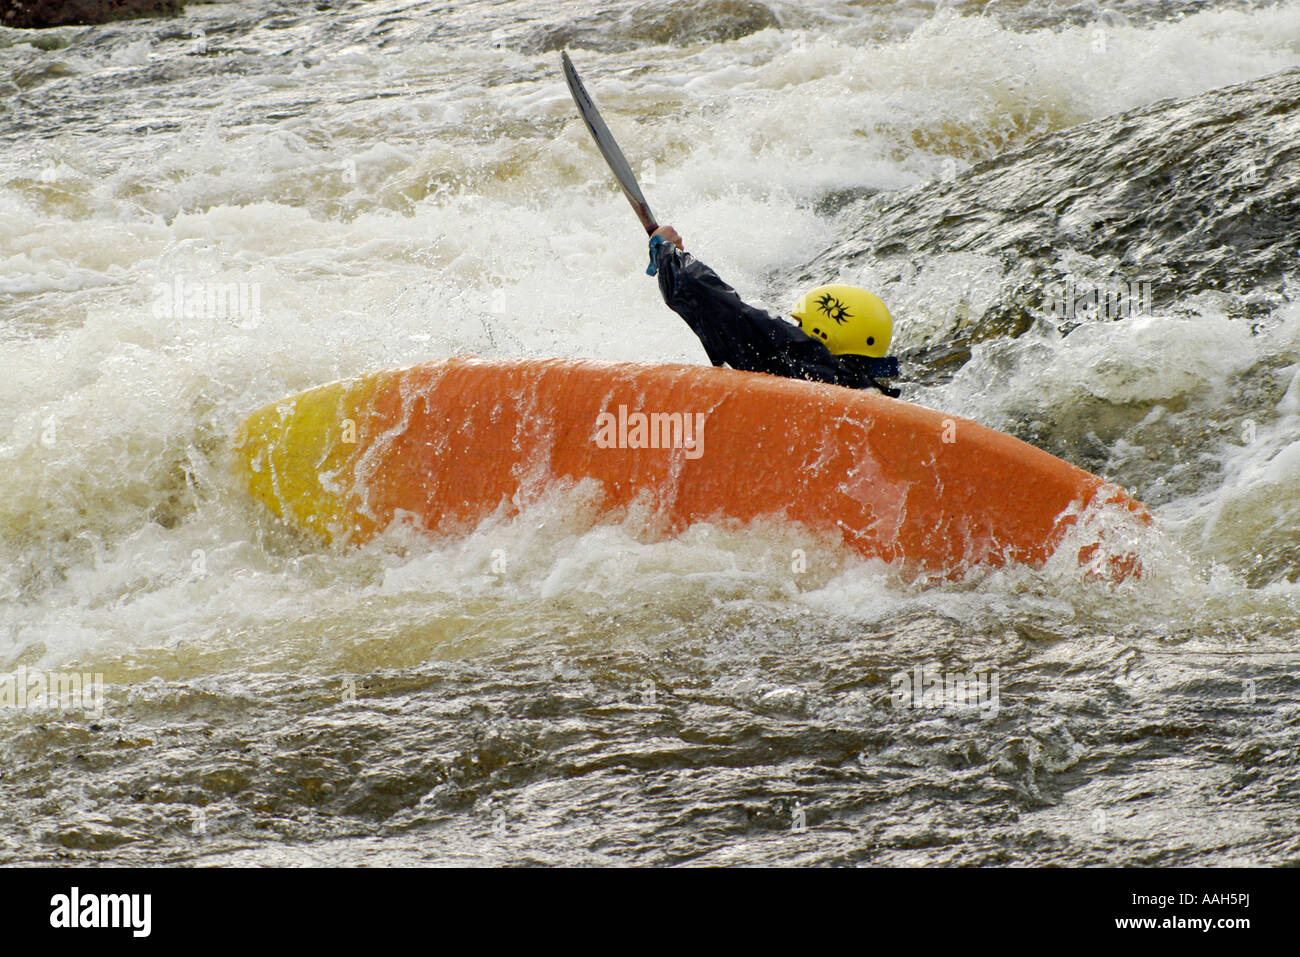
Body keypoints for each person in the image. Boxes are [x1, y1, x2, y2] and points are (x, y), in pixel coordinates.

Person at [646, 225, 901, 397]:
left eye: (801, 325)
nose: (795, 329)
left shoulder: (805, 359)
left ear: (823, 331)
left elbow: (723, 311)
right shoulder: (867, 387)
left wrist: (667, 252)